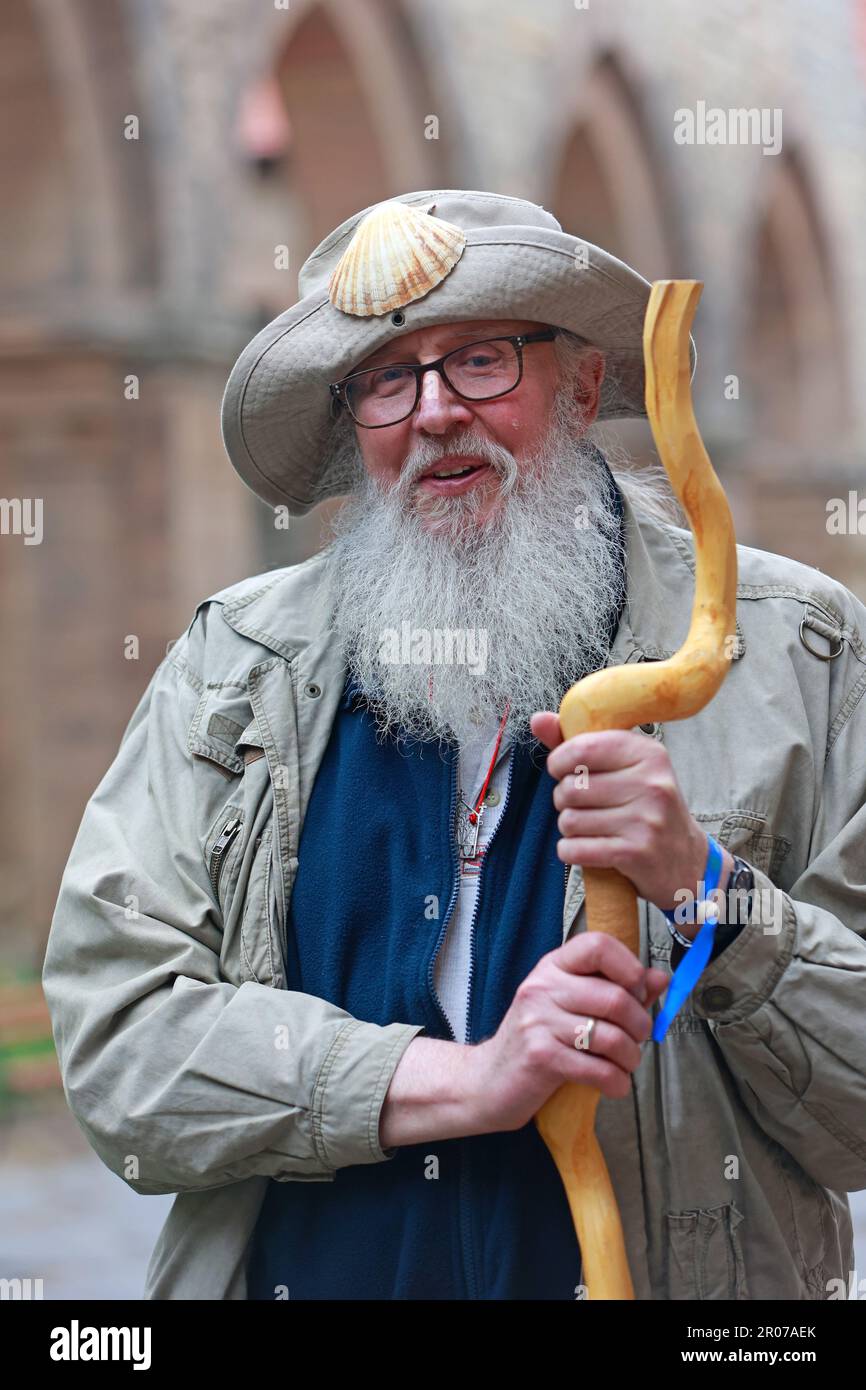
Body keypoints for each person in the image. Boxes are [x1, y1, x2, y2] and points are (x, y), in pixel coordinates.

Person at [43, 189, 866, 1300]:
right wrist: (460, 1079)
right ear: (353, 424)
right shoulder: (234, 664)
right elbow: (117, 1045)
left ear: (579, 383)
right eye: (387, 377)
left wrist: (704, 888)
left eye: (481, 359)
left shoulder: (792, 651)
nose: (433, 411)